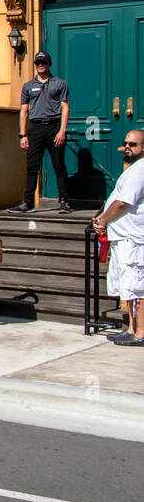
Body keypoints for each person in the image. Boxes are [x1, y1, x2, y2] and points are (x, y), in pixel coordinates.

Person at [93, 129, 144, 347]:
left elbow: (123, 202)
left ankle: (140, 333)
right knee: (128, 287)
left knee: (138, 287)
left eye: (133, 144)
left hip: (133, 240)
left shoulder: (140, 170)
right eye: (126, 143)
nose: (128, 147)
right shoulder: (133, 169)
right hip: (123, 238)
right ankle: (131, 328)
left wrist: (103, 219)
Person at [11, 50, 71, 214]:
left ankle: (64, 202)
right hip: (35, 128)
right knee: (32, 167)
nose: (40, 65)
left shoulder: (60, 84)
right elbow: (24, 111)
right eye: (38, 63)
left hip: (54, 127)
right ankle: (28, 203)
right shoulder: (28, 86)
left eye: (43, 62)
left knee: (59, 165)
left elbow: (65, 107)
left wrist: (62, 131)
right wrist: (23, 134)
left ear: (49, 64)